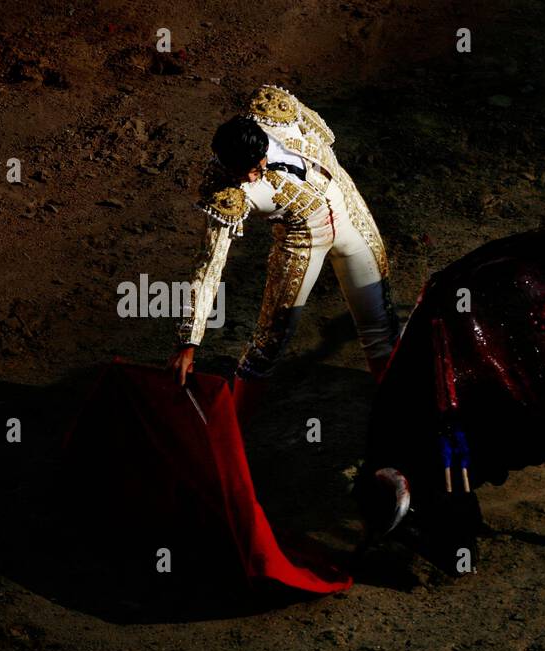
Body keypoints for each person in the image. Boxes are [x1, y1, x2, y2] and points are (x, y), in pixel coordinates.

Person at [166, 85, 400, 421]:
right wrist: (188, 340)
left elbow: (324, 135)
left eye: (253, 168)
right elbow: (209, 265)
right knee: (268, 344)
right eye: (238, 171)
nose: (248, 178)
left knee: (381, 325)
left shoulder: (275, 110)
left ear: (262, 151)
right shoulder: (223, 191)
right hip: (302, 241)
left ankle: (400, 416)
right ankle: (231, 441)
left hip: (349, 211)